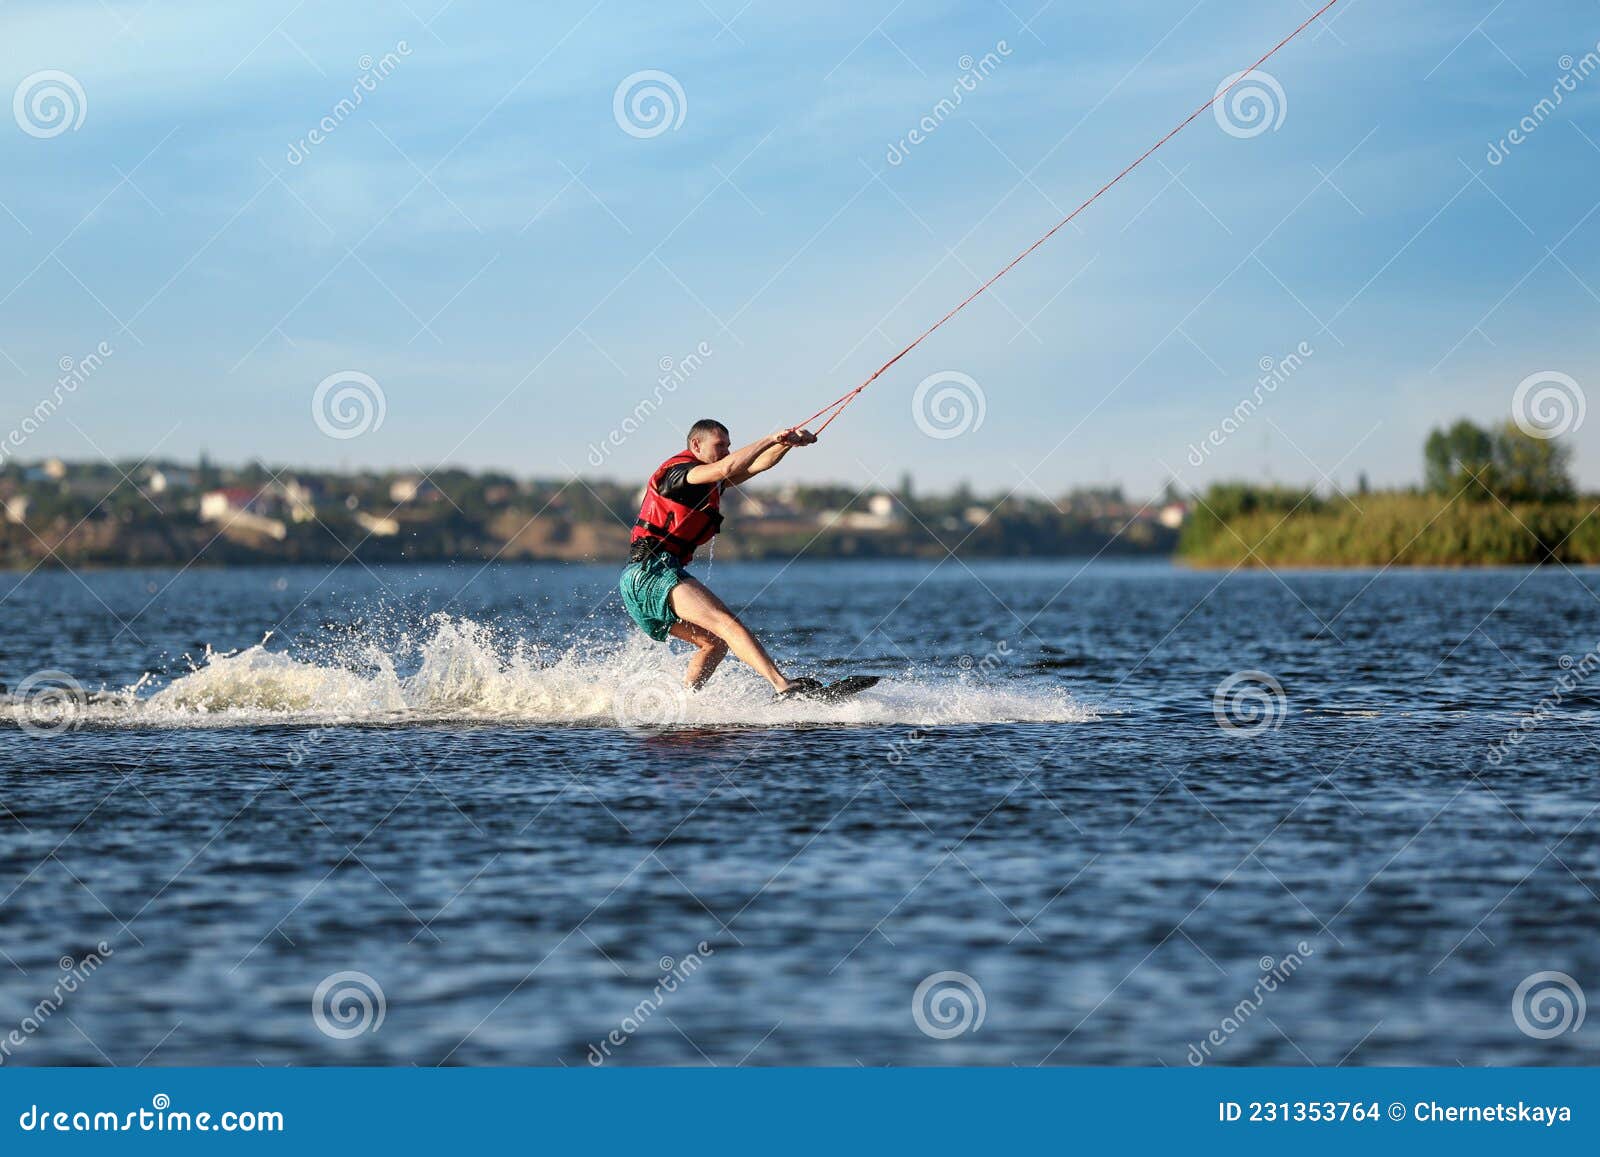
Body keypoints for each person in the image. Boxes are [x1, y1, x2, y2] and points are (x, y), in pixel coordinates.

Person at [620, 419, 822, 699]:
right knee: (726, 623)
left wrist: (785, 444)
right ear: (696, 445)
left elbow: (754, 466)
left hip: (643, 578)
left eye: (729, 446)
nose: (726, 451)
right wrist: (770, 437)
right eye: (720, 446)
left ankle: (685, 702)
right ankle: (783, 686)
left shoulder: (708, 483)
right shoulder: (678, 475)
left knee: (714, 643)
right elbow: (727, 467)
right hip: (651, 571)